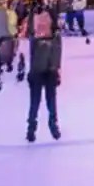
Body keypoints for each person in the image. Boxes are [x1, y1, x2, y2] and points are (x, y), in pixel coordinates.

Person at [25, 8, 63, 143]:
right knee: (47, 100)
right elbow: (57, 54)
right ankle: (48, 126)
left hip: (42, 70)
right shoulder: (52, 37)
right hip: (45, 69)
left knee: (40, 101)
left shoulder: (38, 37)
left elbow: (56, 53)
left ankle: (34, 127)